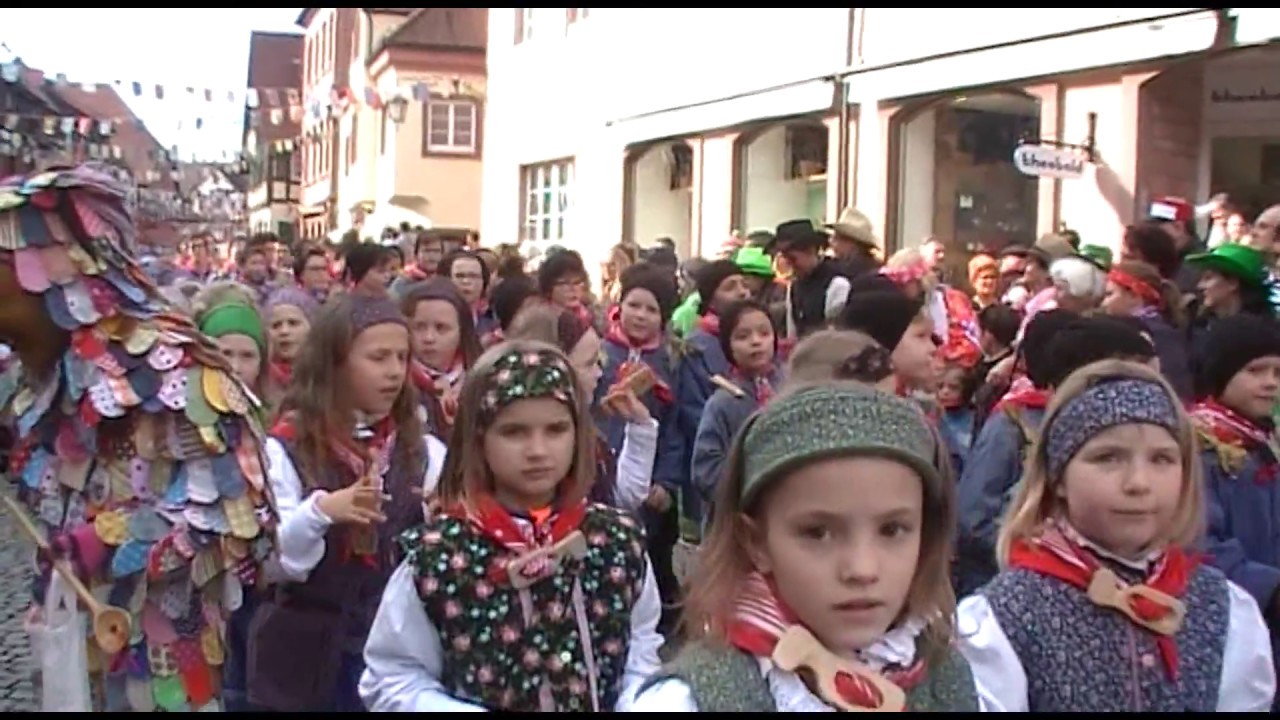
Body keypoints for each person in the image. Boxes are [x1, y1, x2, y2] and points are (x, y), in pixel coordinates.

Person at [0, 165, 274, 711]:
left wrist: (106, 539)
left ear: (53, 274)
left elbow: (245, 523)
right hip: (75, 644)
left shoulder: (184, 373)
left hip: (167, 663)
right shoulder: (35, 377)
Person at [632, 383, 979, 711]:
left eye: (892, 529)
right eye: (817, 533)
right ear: (756, 541)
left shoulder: (943, 675)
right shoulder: (695, 699)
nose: (862, 569)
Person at [359, 341, 664, 711]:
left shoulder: (616, 543)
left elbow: (640, 654)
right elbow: (392, 676)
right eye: (514, 432)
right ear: (479, 439)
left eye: (555, 430)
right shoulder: (438, 556)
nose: (537, 450)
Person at [958, 360, 1274, 711]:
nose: (1138, 483)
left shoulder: (1223, 608)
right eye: (1108, 458)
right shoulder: (1005, 617)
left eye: (1162, 459)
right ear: (1058, 477)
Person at [246, 295, 447, 711]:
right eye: (377, 357)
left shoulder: (422, 451)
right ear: (335, 362)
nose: (394, 371)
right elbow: (271, 562)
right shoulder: (284, 447)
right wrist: (320, 512)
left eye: (401, 357)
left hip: (387, 655)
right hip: (298, 663)